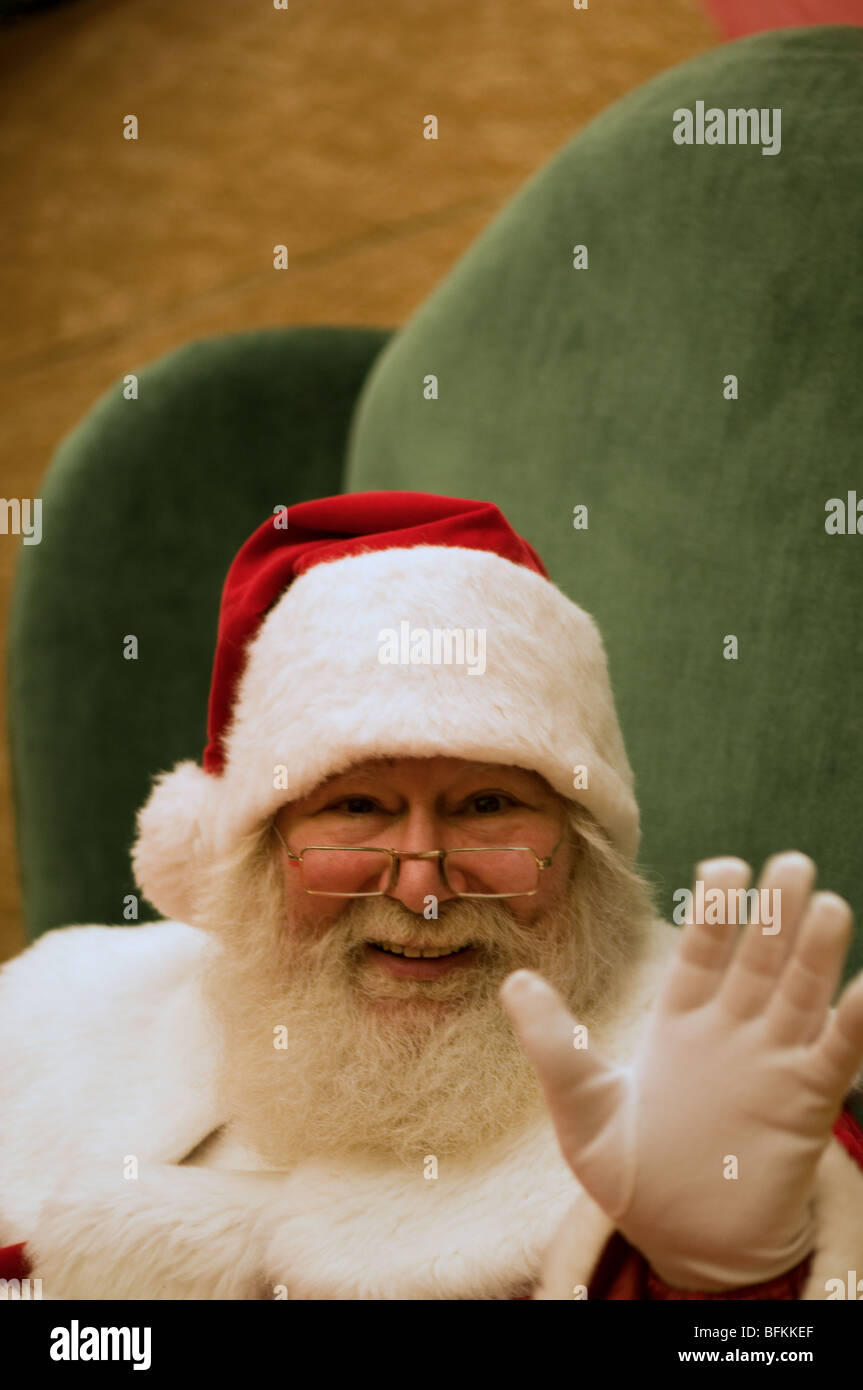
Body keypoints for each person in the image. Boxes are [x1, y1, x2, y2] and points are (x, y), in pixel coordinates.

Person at [0, 490, 861, 1300]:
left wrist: (733, 1278)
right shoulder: (61, 1015)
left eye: (487, 806)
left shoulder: (716, 1062)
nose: (420, 885)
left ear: (586, 848)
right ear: (261, 850)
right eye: (356, 805)